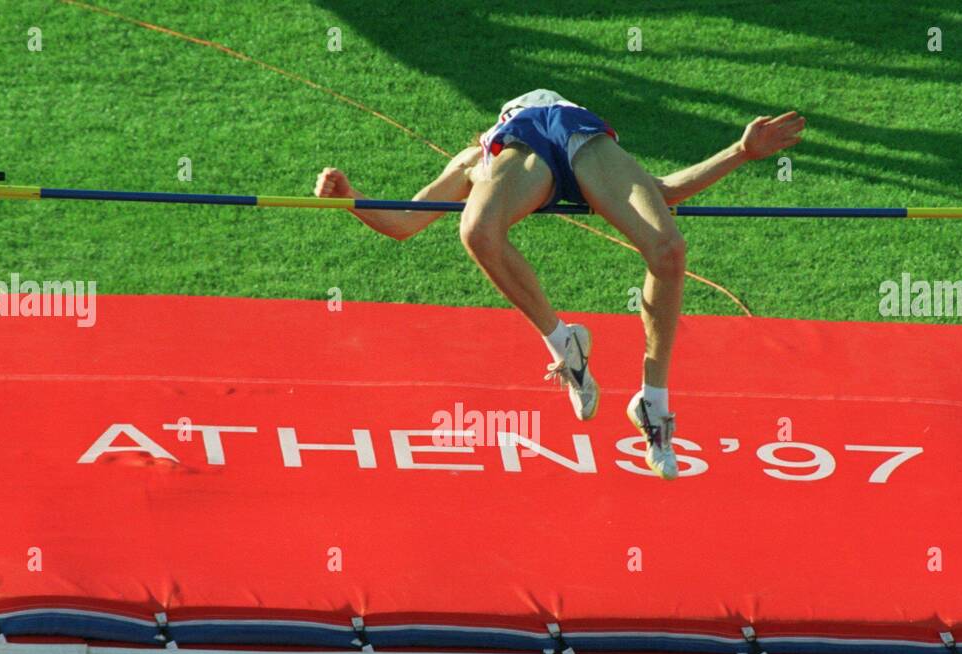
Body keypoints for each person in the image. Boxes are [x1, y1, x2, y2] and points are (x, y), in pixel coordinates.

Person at [315, 90, 803, 479]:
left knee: (669, 251)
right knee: (476, 229)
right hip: (524, 146)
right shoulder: (477, 158)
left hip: (580, 137)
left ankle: (653, 404)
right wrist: (350, 198)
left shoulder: (587, 135)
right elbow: (403, 221)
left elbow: (666, 191)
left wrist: (741, 152)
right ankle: (563, 344)